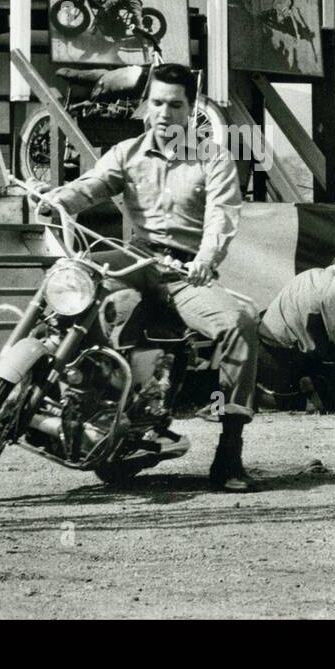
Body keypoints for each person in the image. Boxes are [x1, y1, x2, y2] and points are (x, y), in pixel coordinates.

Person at [44, 63, 260, 492]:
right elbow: (92, 185)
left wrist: (206, 255)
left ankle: (230, 452)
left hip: (186, 275)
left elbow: (222, 214)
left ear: (190, 108)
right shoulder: (126, 152)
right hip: (136, 262)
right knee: (73, 280)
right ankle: (63, 388)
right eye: (157, 102)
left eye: (175, 105)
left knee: (240, 325)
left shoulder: (213, 157)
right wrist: (57, 200)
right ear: (146, 104)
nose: (164, 113)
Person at [258, 240, 335, 413]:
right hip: (281, 360)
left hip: (262, 347)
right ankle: (304, 395)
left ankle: (305, 388)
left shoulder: (312, 274)